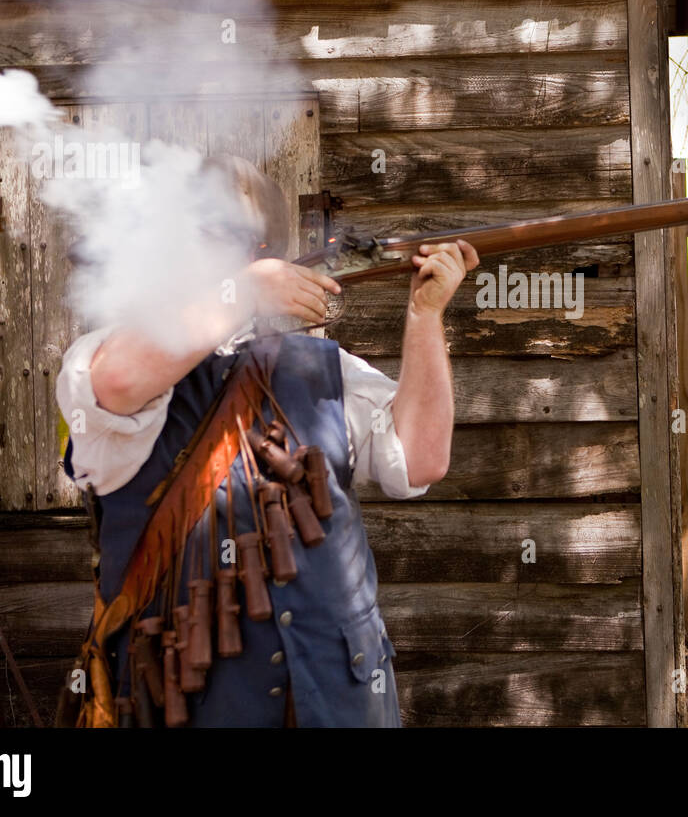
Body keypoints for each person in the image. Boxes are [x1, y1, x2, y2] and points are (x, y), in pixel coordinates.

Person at [56, 154, 479, 727]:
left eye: (239, 239)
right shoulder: (109, 354)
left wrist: (426, 314)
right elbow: (120, 380)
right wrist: (242, 293)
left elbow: (421, 459)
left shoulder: (324, 367)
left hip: (340, 703)